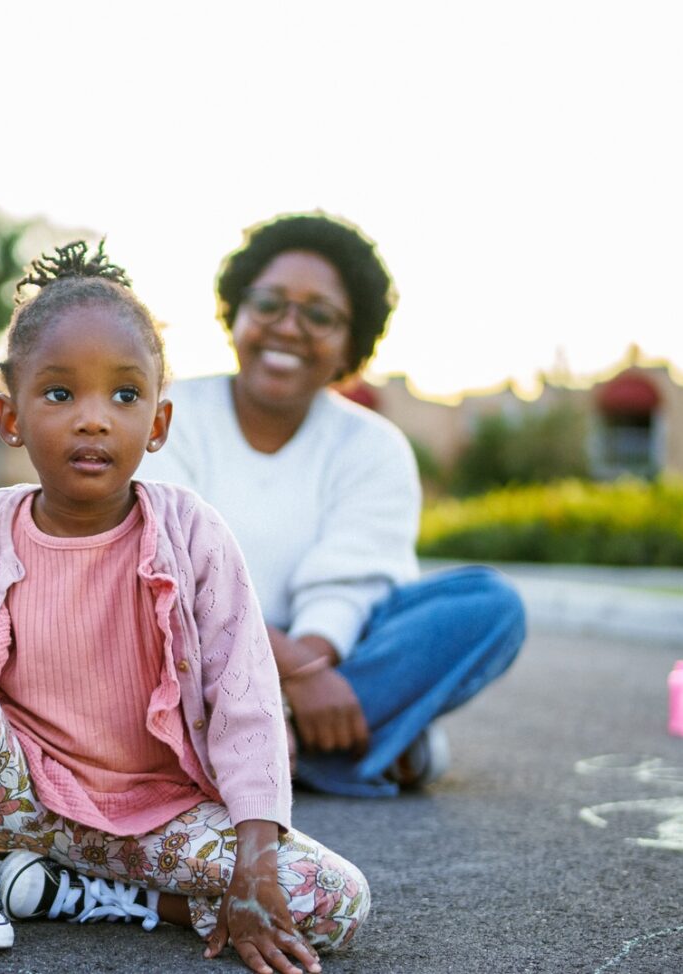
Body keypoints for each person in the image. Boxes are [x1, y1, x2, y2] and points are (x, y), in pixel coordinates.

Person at [0, 242, 368, 973]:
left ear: (159, 424)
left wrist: (256, 860)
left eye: (125, 396)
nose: (94, 420)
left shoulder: (193, 533)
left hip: (155, 814)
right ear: (10, 416)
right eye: (60, 394)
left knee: (335, 900)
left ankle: (68, 894)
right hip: (16, 803)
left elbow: (248, 701)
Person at [137, 212, 526, 798]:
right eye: (269, 304)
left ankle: (254, 752)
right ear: (236, 312)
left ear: (352, 342)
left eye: (320, 316)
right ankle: (347, 749)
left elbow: (353, 585)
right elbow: (166, 574)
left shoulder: (372, 446)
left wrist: (310, 672)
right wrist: (293, 671)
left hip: (330, 657)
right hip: (192, 653)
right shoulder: (170, 416)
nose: (288, 328)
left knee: (489, 606)